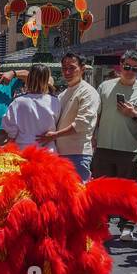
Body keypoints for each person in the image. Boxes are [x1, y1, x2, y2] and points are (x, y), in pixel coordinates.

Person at [93, 49, 137, 239]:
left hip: (129, 149)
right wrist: (92, 137)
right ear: (120, 65)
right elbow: (96, 114)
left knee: (128, 191)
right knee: (102, 190)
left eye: (134, 69)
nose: (129, 71)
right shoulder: (105, 86)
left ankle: (127, 226)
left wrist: (134, 114)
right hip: (104, 147)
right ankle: (101, 224)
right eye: (127, 66)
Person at [39, 51, 98, 181]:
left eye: (72, 68)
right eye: (64, 68)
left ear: (82, 69)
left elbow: (83, 124)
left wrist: (55, 135)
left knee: (78, 196)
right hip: (60, 153)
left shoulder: (88, 92)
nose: (67, 72)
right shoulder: (63, 94)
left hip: (78, 153)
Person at [2, 64, 60, 150]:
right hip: (48, 152)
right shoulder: (55, 101)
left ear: (29, 79)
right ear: (47, 80)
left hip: (24, 150)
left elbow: (11, 128)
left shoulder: (18, 102)